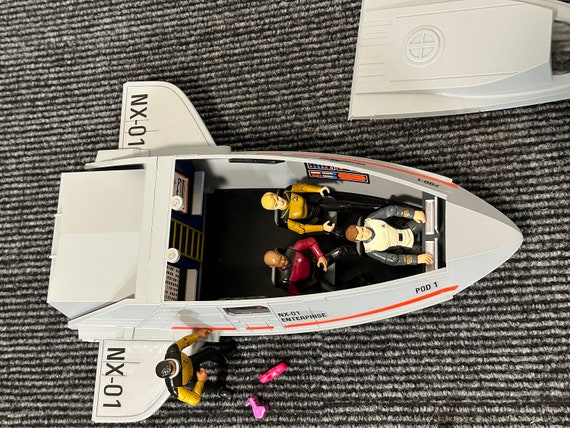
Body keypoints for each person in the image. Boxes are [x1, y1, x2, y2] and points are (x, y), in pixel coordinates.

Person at [261, 183, 381, 236]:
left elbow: (303, 188)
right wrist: (322, 228)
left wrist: (318, 189)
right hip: (315, 219)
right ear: (274, 209)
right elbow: (302, 229)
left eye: (277, 198)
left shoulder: (288, 191)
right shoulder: (285, 219)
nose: (280, 202)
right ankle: (362, 235)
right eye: (276, 205)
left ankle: (373, 207)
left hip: (317, 204)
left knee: (346, 205)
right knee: (339, 233)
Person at [155, 328, 236, 406]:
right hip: (191, 379)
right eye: (174, 368)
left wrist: (197, 334)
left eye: (172, 363)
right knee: (207, 387)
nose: (175, 364)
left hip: (191, 361)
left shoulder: (173, 350)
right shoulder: (174, 388)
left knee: (210, 352)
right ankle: (220, 391)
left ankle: (223, 357)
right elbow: (194, 400)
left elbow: (185, 341)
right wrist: (200, 382)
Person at [344, 204, 433, 266]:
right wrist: (416, 259)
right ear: (358, 240)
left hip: (407, 229)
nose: (366, 233)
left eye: (362, 230)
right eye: (362, 236)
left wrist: (412, 214)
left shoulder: (371, 220)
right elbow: (393, 260)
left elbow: (391, 210)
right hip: (408, 247)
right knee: (431, 255)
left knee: (429, 218)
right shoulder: (370, 249)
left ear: (359, 226)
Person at [263, 236, 350, 295]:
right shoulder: (285, 280)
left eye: (281, 257)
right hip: (315, 280)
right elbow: (296, 295)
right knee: (337, 292)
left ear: (279, 253)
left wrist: (320, 256)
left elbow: (311, 241)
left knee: (341, 251)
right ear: (273, 266)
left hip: (317, 262)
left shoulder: (292, 249)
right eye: (279, 262)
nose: (283, 261)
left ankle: (358, 249)